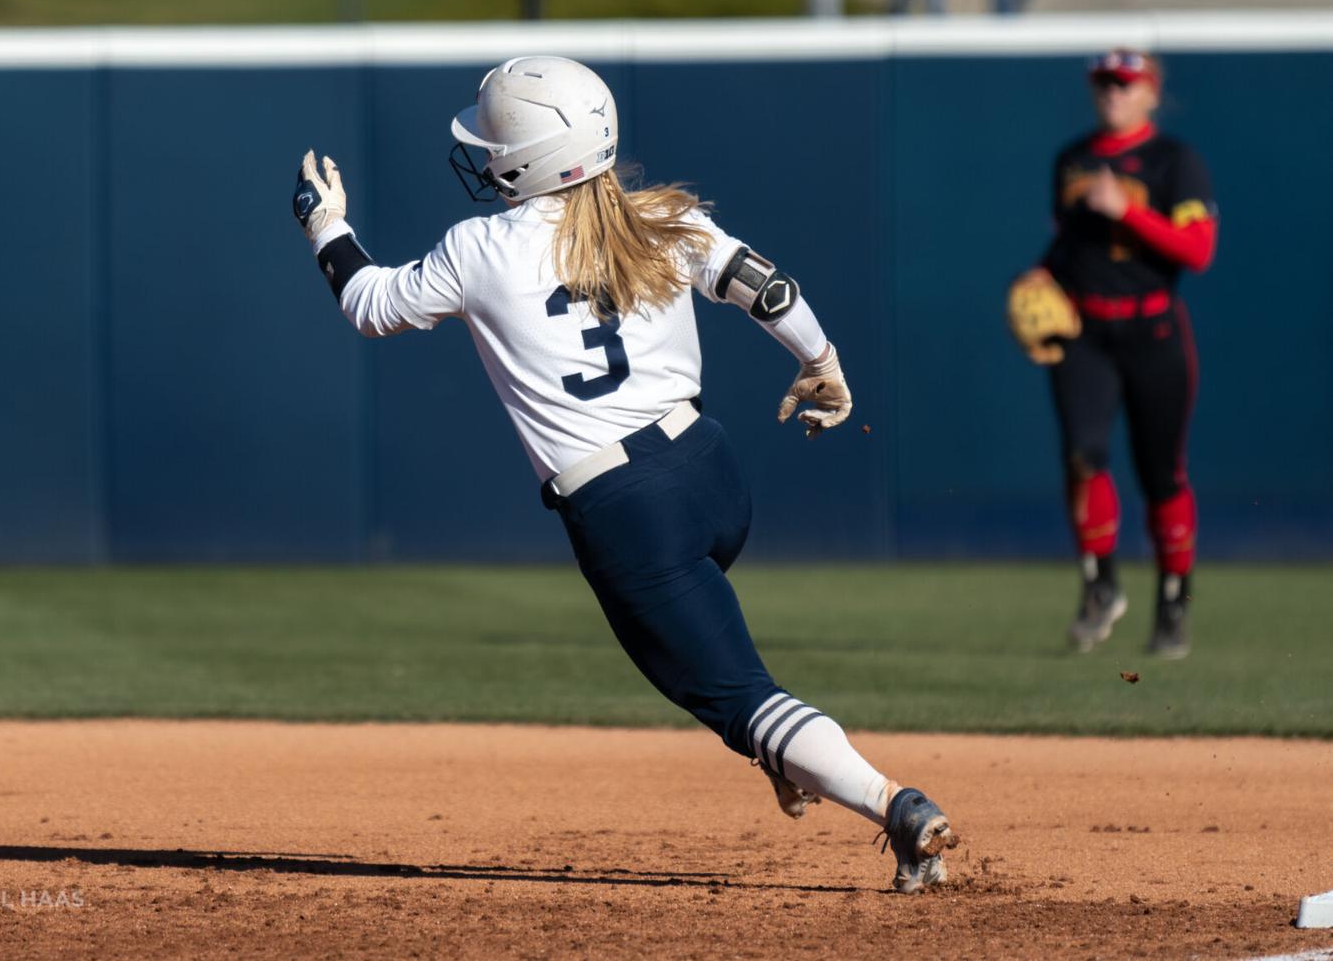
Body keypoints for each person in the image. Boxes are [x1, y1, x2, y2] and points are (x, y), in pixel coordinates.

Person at [292, 56, 958, 892]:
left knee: (740, 700)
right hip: (713, 474)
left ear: (522, 158)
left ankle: (892, 803)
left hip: (625, 509)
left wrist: (326, 229)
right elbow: (767, 287)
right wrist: (821, 362)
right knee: (719, 661)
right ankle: (782, 749)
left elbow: (369, 305)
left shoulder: (480, 248)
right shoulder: (667, 216)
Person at [1010, 49, 1217, 658]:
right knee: (1083, 456)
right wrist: (1039, 279)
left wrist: (1129, 210)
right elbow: (1067, 247)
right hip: (1085, 333)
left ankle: (1174, 602)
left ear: (1152, 92)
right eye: (1104, 82)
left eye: (1126, 84)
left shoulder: (1173, 161)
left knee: (1162, 475)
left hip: (1153, 331)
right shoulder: (1072, 160)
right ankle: (1100, 586)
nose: (1113, 93)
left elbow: (1198, 250)